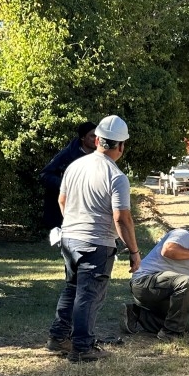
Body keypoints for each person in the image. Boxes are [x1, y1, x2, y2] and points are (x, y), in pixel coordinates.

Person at [46, 114, 141, 362]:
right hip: (96, 243)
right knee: (89, 296)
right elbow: (121, 218)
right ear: (121, 145)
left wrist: (73, 224)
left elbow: (62, 200)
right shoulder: (116, 176)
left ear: (98, 139)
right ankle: (82, 348)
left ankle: (58, 338)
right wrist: (134, 252)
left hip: (69, 239)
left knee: (72, 289)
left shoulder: (74, 166)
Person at [121, 224, 189, 340]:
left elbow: (185, 292)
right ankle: (170, 334)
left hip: (159, 290)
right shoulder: (184, 235)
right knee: (177, 320)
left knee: (181, 323)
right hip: (143, 282)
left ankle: (136, 314)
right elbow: (167, 250)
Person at [39, 121, 98, 229]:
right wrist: (67, 186)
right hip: (68, 211)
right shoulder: (68, 154)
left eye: (98, 136)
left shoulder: (100, 155)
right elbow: (45, 175)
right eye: (92, 136)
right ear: (83, 137)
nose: (96, 139)